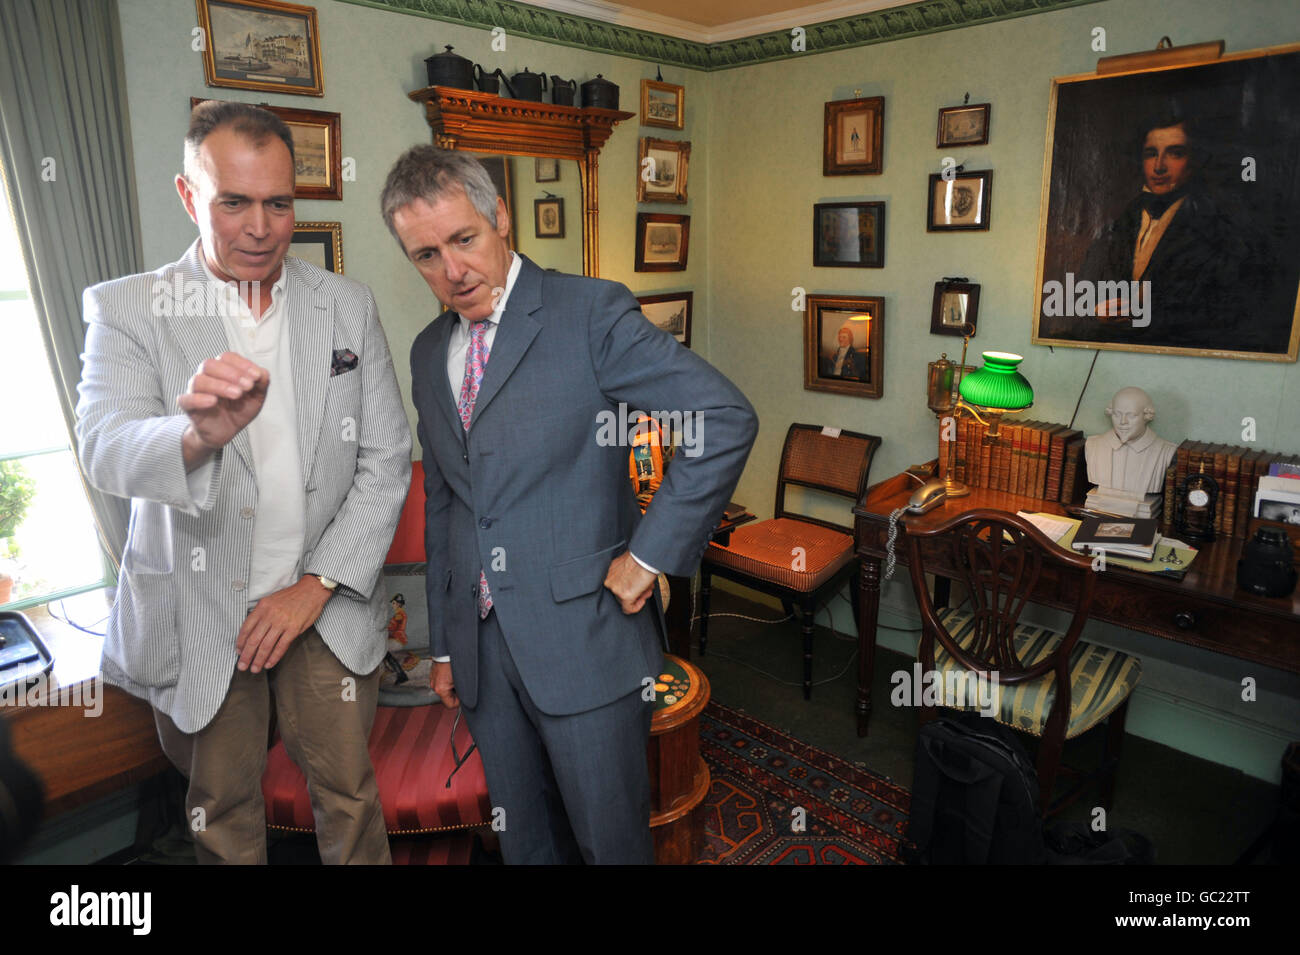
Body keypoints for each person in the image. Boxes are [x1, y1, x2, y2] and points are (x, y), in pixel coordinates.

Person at [381, 145, 757, 864]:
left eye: (464, 239)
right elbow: (449, 507)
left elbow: (722, 417)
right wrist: (449, 644)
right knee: (523, 844)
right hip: (485, 657)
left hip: (586, 640)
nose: (452, 271)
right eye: (425, 254)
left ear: (501, 217)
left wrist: (648, 555)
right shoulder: (430, 351)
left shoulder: (588, 312)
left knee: (609, 844)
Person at [75, 101, 411, 864]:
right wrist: (196, 437)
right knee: (221, 812)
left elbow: (386, 457)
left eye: (279, 202)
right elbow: (105, 449)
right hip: (202, 608)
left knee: (351, 799)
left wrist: (316, 584)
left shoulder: (346, 305)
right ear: (190, 196)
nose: (260, 226)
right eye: (234, 201)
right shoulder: (129, 308)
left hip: (322, 602)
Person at [1078, 112, 1262, 349]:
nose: (1159, 167)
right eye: (1151, 154)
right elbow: (1082, 295)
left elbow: (1225, 313)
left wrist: (1148, 312)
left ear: (1194, 160)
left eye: (1175, 153)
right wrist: (1097, 314)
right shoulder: (1120, 224)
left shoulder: (1218, 229)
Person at [1084, 386, 1176, 498]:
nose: (1123, 422)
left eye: (1131, 415)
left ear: (1146, 416)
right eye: (1117, 414)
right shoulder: (1093, 445)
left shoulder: (1165, 451)